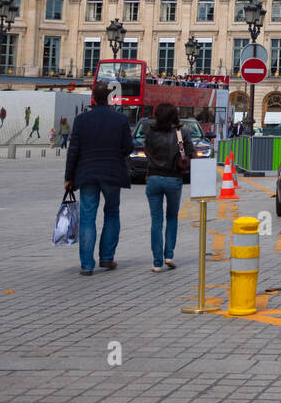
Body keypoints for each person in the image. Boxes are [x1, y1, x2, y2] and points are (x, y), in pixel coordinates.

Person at [64, 82, 132, 276]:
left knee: (87, 218)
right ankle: (107, 257)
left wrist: (69, 177)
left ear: (93, 97)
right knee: (111, 213)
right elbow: (128, 148)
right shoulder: (120, 120)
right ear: (110, 97)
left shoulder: (81, 120)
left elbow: (73, 150)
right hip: (111, 173)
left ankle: (86, 265)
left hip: (87, 174)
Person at [143, 103, 195, 272]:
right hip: (173, 179)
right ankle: (169, 255)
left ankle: (157, 262)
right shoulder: (181, 133)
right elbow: (192, 153)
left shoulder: (150, 133)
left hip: (154, 178)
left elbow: (147, 152)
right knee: (172, 217)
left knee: (156, 220)